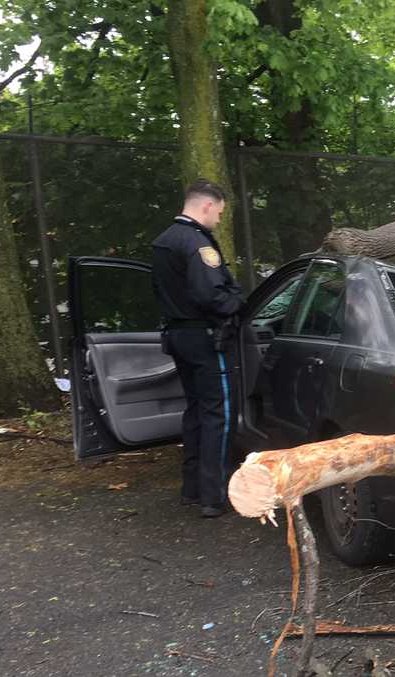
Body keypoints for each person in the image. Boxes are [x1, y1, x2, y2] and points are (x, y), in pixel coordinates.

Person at [152, 179, 244, 518]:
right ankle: (215, 495)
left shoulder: (164, 241)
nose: (219, 220)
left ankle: (192, 489)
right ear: (207, 205)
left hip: (178, 337)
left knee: (194, 412)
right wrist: (238, 300)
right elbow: (212, 296)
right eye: (219, 213)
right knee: (218, 414)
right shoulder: (197, 243)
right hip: (207, 339)